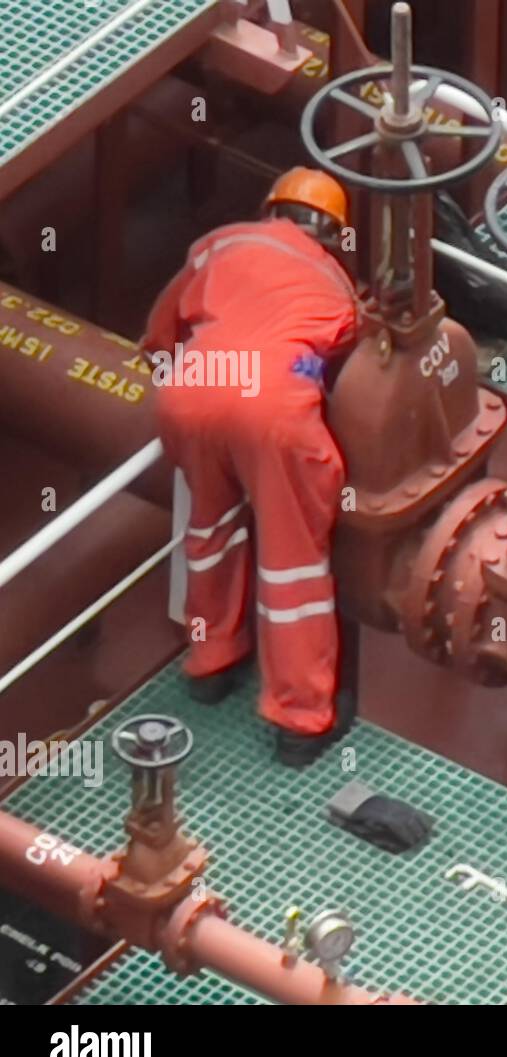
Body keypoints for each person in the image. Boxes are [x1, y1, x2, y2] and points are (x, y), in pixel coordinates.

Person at [143, 167, 360, 767]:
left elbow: (160, 335)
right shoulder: (335, 284)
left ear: (271, 209)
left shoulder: (220, 242)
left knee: (209, 526)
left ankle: (210, 661)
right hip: (269, 407)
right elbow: (340, 373)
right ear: (333, 233)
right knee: (294, 562)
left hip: (189, 391)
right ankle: (300, 719)